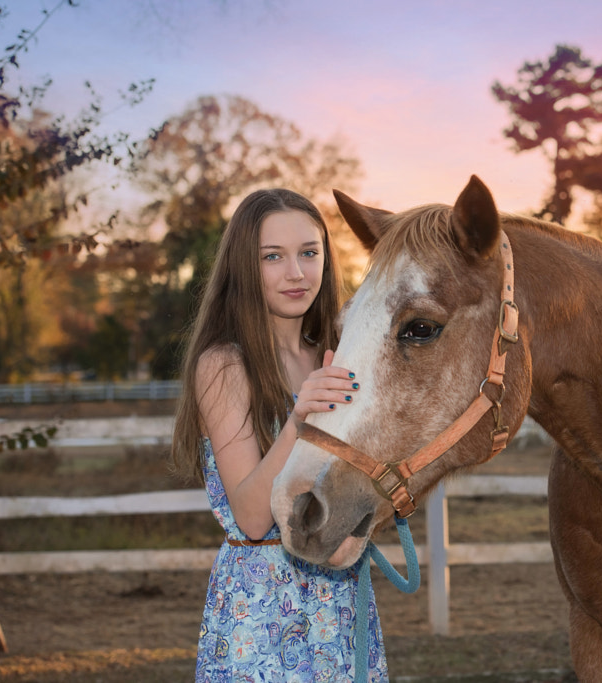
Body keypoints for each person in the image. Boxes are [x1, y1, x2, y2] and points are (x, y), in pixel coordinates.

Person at [170, 188, 388, 681]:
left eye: (310, 253)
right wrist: (299, 420)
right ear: (245, 267)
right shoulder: (225, 365)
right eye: (274, 257)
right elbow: (249, 516)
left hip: (340, 594)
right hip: (262, 607)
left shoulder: (337, 353)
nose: (297, 273)